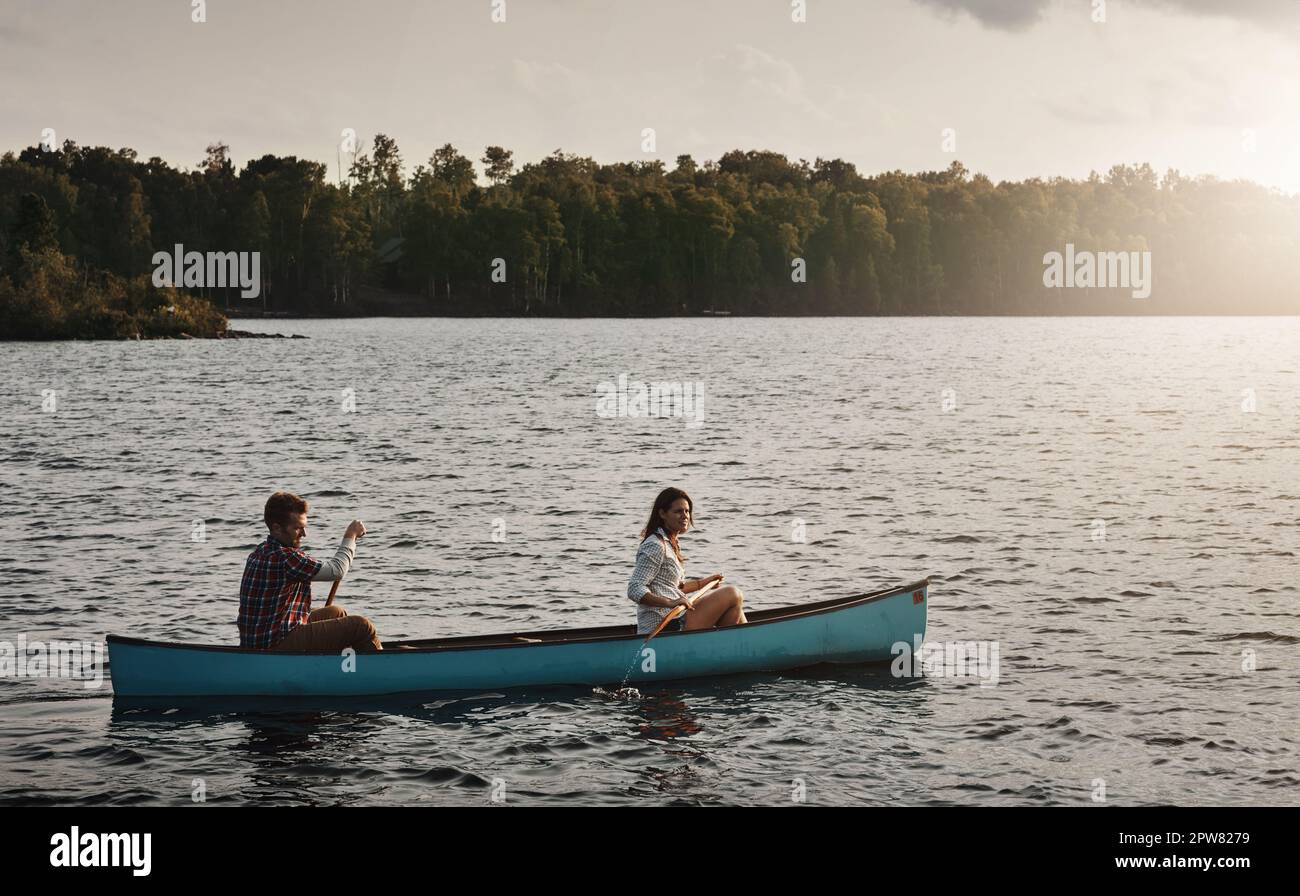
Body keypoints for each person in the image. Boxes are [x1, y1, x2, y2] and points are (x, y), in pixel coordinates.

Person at [238, 491, 383, 652]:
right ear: (277, 528)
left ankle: (343, 663)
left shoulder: (261, 550)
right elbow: (337, 570)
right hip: (275, 643)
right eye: (298, 528)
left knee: (336, 612)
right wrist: (350, 536)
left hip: (262, 636)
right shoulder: (286, 557)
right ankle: (383, 665)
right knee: (361, 626)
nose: (304, 534)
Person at [626, 487, 748, 635]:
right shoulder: (655, 545)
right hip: (665, 623)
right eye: (678, 511)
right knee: (732, 593)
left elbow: (672, 587)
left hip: (678, 615)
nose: (685, 516)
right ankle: (746, 649)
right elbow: (635, 588)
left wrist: (703, 583)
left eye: (687, 511)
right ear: (662, 514)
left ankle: (740, 650)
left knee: (734, 609)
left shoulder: (670, 543)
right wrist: (670, 603)